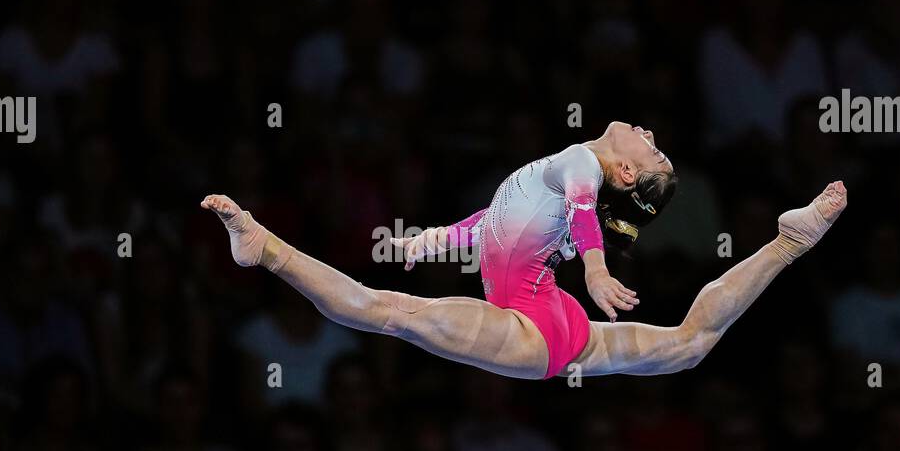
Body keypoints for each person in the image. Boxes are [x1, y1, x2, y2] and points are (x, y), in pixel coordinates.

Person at [203, 121, 846, 381]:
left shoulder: (585, 175)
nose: (648, 133)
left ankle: (264, 248)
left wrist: (594, 268)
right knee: (688, 345)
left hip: (531, 329)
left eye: (653, 151)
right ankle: (790, 244)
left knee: (387, 312)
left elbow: (585, 215)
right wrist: (435, 240)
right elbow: (498, 222)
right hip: (553, 320)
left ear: (625, 173)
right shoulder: (568, 168)